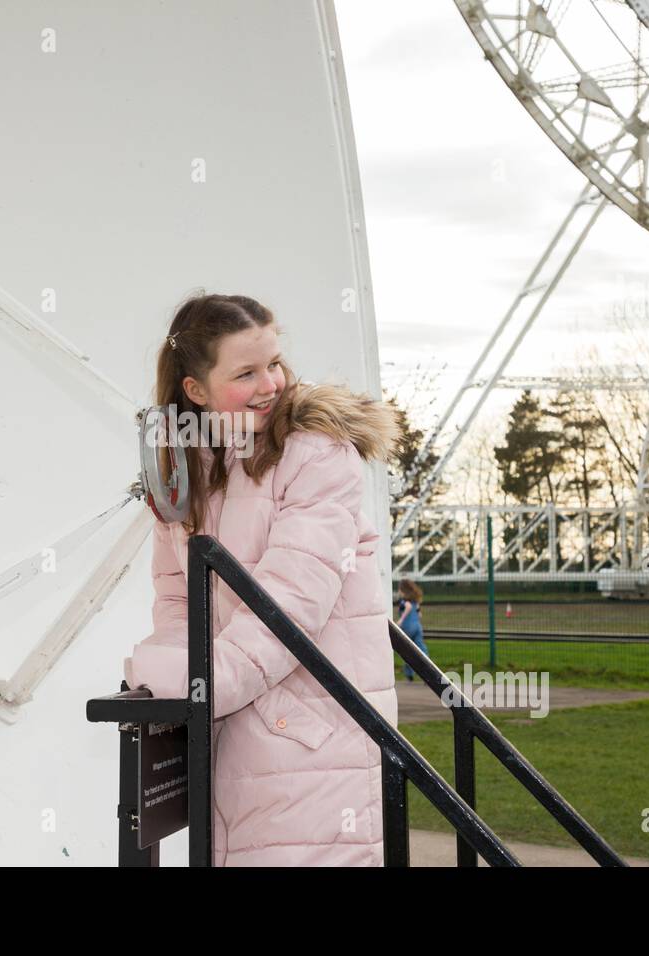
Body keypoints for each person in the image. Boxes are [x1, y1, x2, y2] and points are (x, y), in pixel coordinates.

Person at [124, 291, 401, 866]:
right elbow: (178, 599)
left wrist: (174, 681)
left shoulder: (317, 456)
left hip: (315, 741)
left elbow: (287, 612)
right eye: (245, 373)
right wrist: (172, 670)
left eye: (273, 363)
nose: (270, 384)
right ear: (195, 391)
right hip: (238, 735)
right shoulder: (187, 474)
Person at [395, 579, 428, 681]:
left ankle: (409, 674)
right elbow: (419, 614)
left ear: (403, 590)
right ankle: (427, 670)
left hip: (408, 627)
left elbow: (408, 607)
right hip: (417, 627)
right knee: (421, 649)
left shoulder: (404, 601)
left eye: (399, 590)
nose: (398, 592)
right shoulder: (415, 601)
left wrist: (401, 619)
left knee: (407, 650)